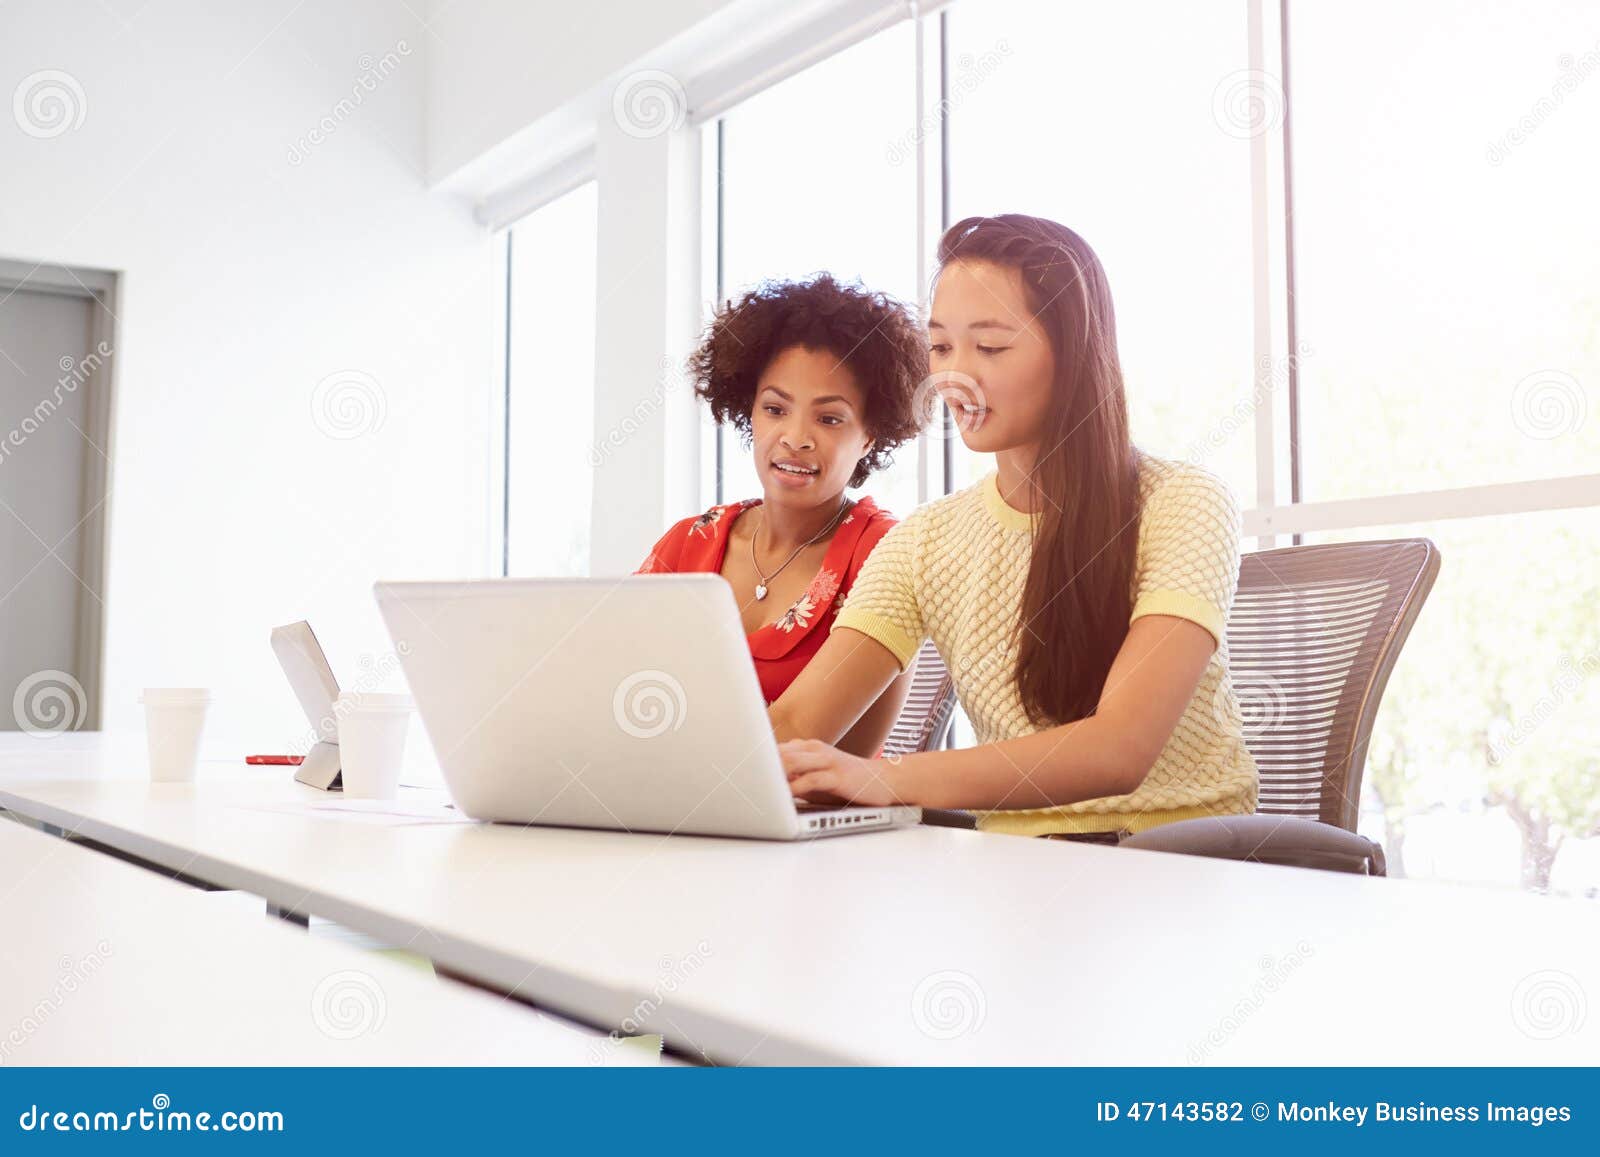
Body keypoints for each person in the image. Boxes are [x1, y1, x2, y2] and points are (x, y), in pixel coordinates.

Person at [771, 214, 1258, 841]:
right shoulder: (924, 542)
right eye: (942, 348)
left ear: (1074, 353)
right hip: (1017, 876)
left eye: (991, 348)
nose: (955, 376)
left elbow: (1119, 750)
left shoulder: (1181, 501)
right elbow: (795, 724)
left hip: (1180, 861)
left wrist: (886, 777)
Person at [638, 274, 929, 757]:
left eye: (829, 418)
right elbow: (606, 680)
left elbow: (799, 738)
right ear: (748, 411)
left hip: (814, 826)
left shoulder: (884, 556)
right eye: (775, 408)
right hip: (667, 810)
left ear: (870, 435)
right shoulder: (687, 542)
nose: (795, 437)